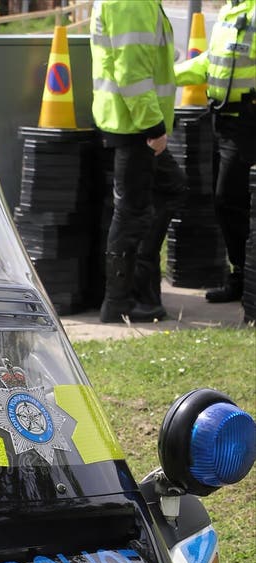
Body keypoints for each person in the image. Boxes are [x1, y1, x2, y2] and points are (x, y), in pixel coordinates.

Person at [90, 0, 187, 323]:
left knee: (169, 189)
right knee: (132, 213)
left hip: (132, 121)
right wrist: (153, 126)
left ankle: (140, 288)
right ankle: (119, 302)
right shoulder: (132, 3)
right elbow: (131, 72)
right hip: (135, 125)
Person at [175, 0, 256, 319]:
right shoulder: (228, 12)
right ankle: (242, 276)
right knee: (228, 204)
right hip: (222, 120)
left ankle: (246, 278)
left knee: (230, 201)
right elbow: (213, 62)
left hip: (247, 123)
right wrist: (167, 75)